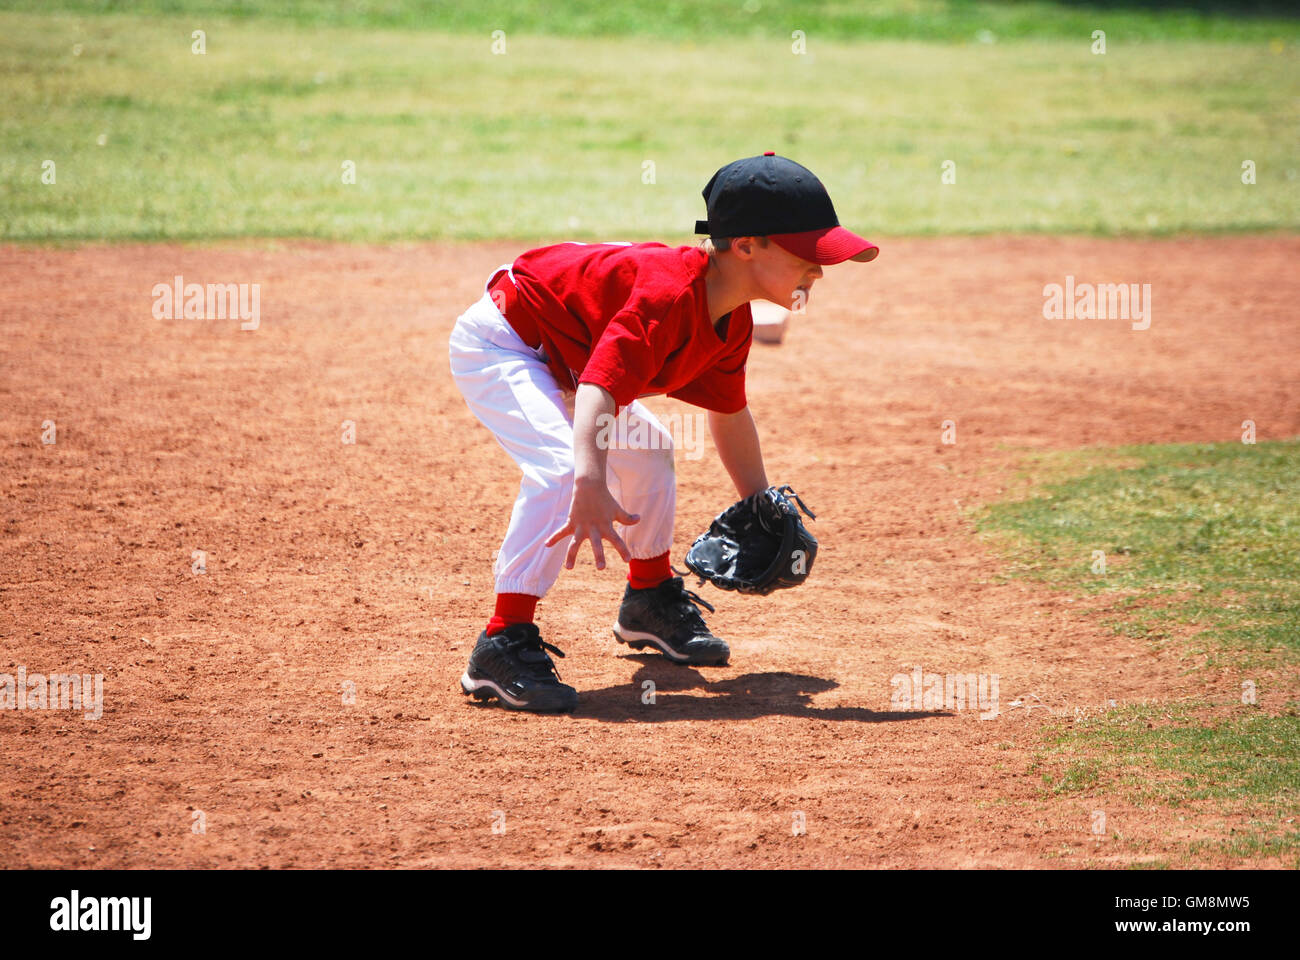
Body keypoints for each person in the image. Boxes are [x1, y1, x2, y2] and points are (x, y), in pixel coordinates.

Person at [448, 152, 878, 712]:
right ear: (746, 244)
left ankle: (648, 598)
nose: (818, 270)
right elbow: (600, 391)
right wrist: (591, 481)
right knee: (561, 470)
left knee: (649, 450)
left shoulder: (733, 318)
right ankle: (501, 641)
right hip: (507, 341)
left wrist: (758, 501)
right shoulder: (668, 294)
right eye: (807, 253)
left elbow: (728, 411)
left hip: (570, 356)